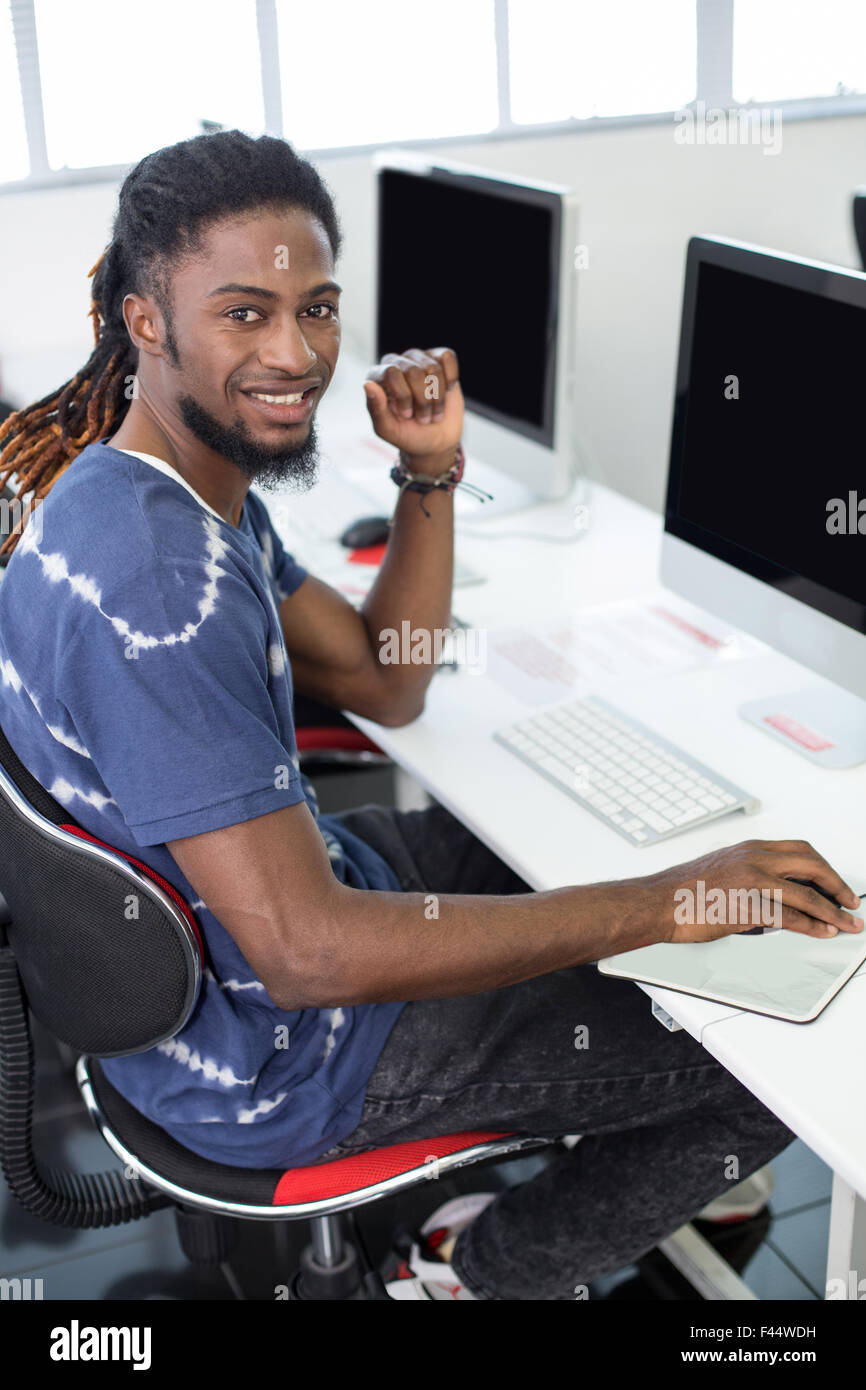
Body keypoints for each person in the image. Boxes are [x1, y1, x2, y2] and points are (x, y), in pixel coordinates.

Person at [0, 131, 860, 1300]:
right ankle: (464, 1269)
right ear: (144, 319)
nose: (294, 353)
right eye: (243, 314)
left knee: (598, 865)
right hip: (273, 1059)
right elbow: (308, 956)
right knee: (754, 1056)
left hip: (259, 935)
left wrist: (428, 474)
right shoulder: (157, 579)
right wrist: (659, 905)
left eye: (317, 307)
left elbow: (383, 675)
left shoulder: (153, 485)